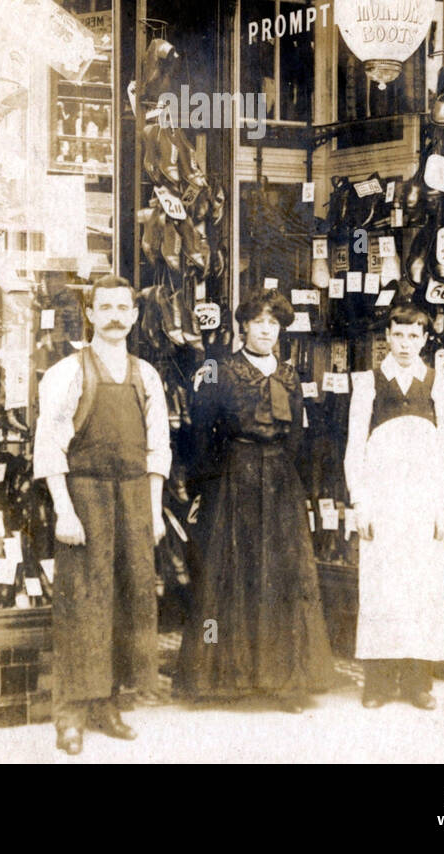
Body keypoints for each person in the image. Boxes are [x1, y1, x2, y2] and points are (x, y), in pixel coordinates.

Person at [176, 289, 334, 709]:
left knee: (280, 576)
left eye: (274, 323)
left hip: (279, 482)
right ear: (243, 326)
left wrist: (292, 481)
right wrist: (204, 488)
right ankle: (222, 679)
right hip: (232, 478)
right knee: (229, 575)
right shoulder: (216, 369)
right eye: (259, 321)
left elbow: (298, 437)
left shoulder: (289, 374)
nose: (266, 330)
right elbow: (200, 432)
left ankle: (284, 680)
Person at [33, 275, 171, 755]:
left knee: (128, 599)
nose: (115, 315)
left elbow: (158, 449)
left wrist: (153, 512)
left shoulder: (146, 374)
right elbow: (50, 446)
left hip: (133, 497)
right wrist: (64, 511)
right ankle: (70, 714)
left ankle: (107, 703)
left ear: (134, 315)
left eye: (123, 307)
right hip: (86, 495)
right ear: (89, 314)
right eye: (105, 307)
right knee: (83, 603)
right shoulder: (69, 372)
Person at [344, 303, 444, 710]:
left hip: (423, 503)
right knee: (381, 588)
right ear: (387, 337)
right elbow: (354, 446)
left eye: (414, 336)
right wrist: (359, 501)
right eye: (398, 335)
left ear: (425, 339)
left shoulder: (437, 382)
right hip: (383, 501)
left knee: (421, 589)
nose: (406, 344)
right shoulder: (369, 382)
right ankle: (377, 682)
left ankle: (416, 682)